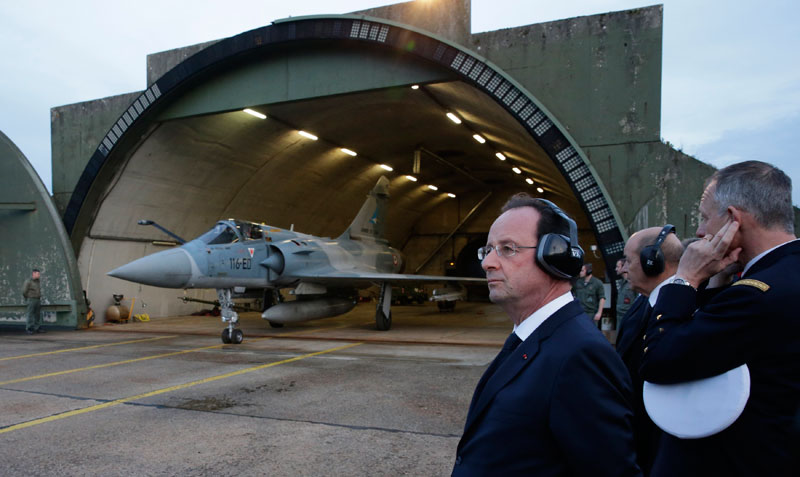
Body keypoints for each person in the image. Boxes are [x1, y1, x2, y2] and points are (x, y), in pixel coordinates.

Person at [453, 193, 640, 476]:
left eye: (507, 249)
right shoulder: (532, 337)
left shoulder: (581, 355)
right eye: (488, 250)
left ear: (554, 256)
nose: (487, 263)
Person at [640, 161, 799, 476]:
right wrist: (716, 283)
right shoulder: (779, 278)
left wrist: (686, 278)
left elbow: (659, 359)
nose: (699, 232)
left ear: (733, 219)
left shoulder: (757, 295)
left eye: (704, 217)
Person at [617, 226, 683, 475]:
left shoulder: (682, 310)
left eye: (629, 260)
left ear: (652, 262)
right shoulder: (643, 304)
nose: (623, 267)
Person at [572, 262, 606, 327]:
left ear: (588, 271)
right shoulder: (578, 282)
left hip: (591, 313)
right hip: (579, 312)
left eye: (582, 270)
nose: (580, 272)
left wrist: (599, 313)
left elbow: (602, 298)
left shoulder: (597, 283)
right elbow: (573, 295)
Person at [22, 268, 45, 334]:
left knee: (37, 314)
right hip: (31, 299)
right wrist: (28, 298)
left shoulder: (38, 281)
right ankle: (29, 328)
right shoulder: (28, 281)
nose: (39, 275)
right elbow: (24, 291)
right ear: (33, 274)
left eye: (39, 274)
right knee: (30, 314)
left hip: (37, 299)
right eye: (38, 274)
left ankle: (37, 328)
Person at [615, 258, 637, 326]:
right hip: (619, 315)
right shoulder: (621, 283)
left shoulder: (633, 282)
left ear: (624, 267)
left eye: (618, 267)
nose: (616, 269)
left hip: (629, 316)